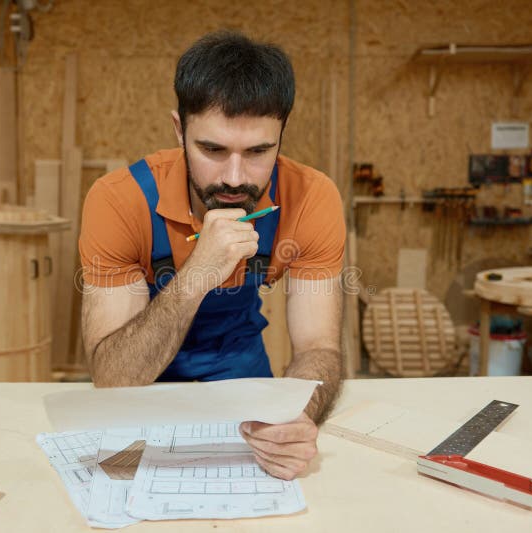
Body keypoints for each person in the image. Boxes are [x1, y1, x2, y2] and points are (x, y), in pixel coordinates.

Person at [78, 31, 346, 480]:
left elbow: (319, 347)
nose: (235, 178)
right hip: (143, 390)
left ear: (282, 134)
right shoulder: (118, 200)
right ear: (179, 130)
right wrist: (198, 273)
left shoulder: (312, 198)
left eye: (259, 151)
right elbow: (113, 380)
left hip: (243, 382)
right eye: (212, 150)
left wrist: (297, 415)